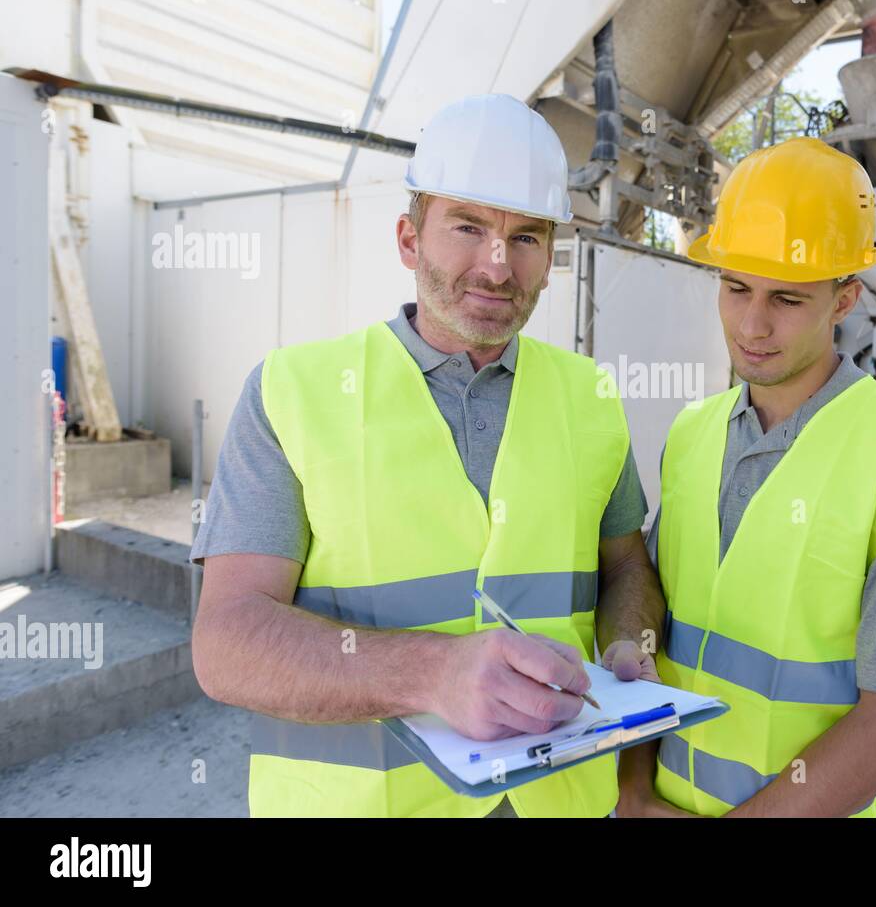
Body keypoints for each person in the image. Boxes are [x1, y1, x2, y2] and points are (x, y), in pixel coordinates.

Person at [190, 94, 664, 817]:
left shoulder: (589, 398)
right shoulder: (292, 393)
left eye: (527, 237)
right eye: (468, 227)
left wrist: (629, 640)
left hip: (562, 801)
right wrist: (435, 672)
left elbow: (625, 564)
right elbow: (227, 641)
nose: (497, 266)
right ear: (410, 239)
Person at [616, 136, 876, 818]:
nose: (752, 324)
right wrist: (635, 793)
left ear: (845, 297)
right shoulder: (692, 433)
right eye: (735, 288)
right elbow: (659, 639)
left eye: (787, 299)